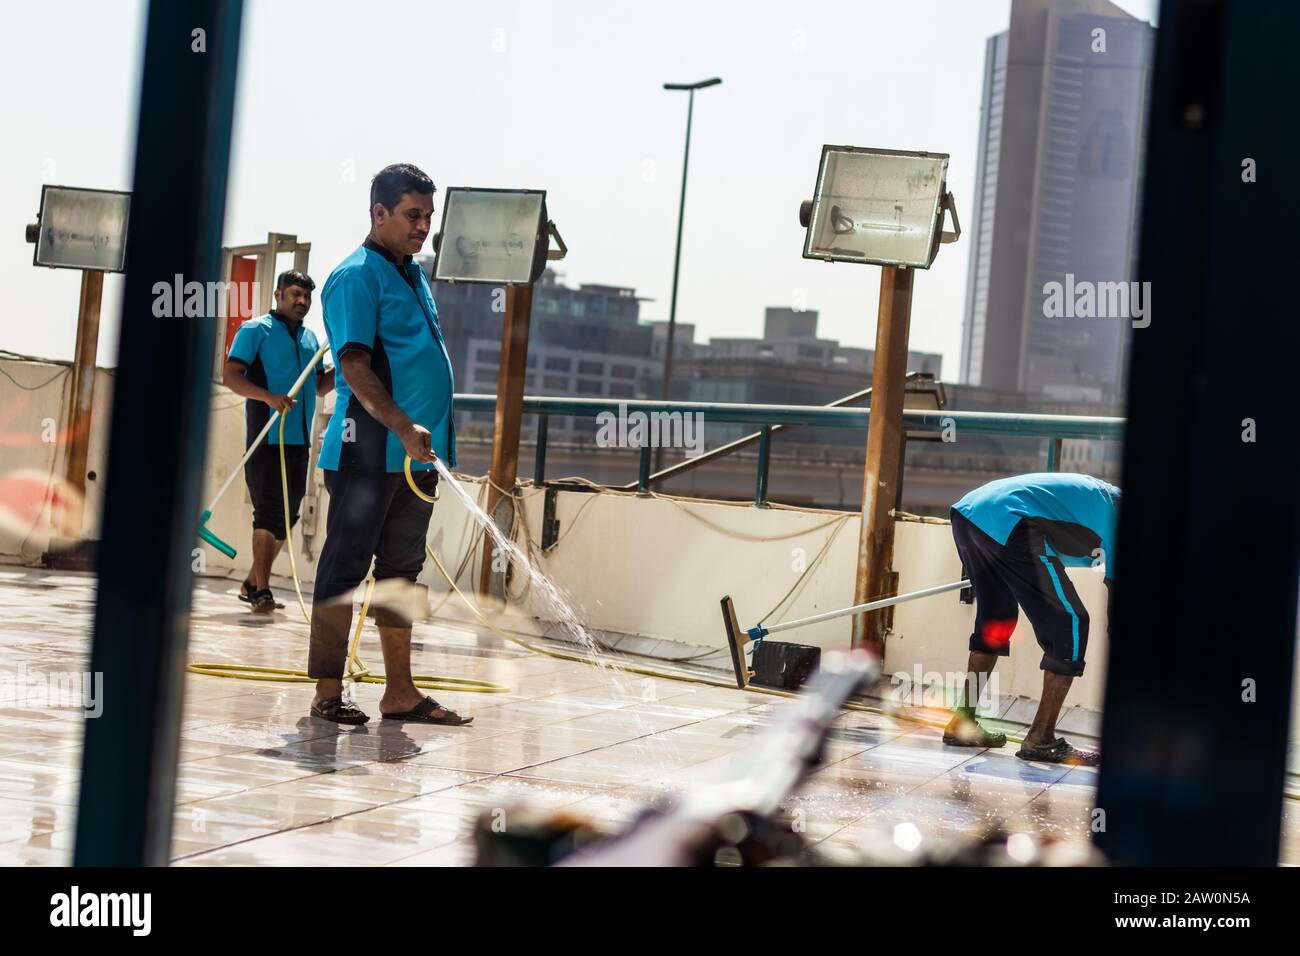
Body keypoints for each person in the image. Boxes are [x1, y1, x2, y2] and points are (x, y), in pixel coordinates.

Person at [307, 162, 470, 727]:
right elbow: (353, 364)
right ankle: (328, 692)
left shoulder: (413, 274)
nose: (422, 226)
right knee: (345, 568)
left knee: (401, 572)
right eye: (411, 215)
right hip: (367, 450)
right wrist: (402, 424)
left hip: (413, 459)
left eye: (427, 216)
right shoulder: (356, 276)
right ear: (379, 212)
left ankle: (400, 692)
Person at [943, 472, 1119, 765]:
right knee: (1072, 623)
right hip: (1014, 519)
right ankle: (1041, 738)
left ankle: (963, 721)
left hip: (970, 514)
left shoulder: (1105, 502)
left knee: (995, 619)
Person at [222, 270, 334, 613]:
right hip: (265, 437)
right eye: (295, 294)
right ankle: (263, 592)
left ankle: (251, 583)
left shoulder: (311, 339)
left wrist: (346, 366)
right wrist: (269, 397)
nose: (301, 301)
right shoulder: (255, 330)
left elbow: (317, 386)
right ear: (278, 294)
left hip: (300, 440)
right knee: (267, 513)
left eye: (306, 296)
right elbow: (231, 376)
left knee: (288, 517)